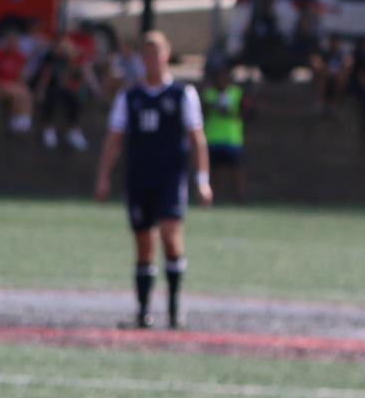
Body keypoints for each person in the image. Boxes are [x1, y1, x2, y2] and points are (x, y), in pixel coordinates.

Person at [94, 30, 211, 330]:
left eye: (156, 53)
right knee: (144, 243)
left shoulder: (182, 94)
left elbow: (197, 139)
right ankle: (143, 311)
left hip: (170, 177)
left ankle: (173, 308)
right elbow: (114, 139)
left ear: (166, 55)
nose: (151, 60)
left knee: (170, 236)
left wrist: (202, 178)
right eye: (146, 54)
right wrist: (103, 176)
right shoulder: (129, 96)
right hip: (139, 176)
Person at [32, 32, 88, 151]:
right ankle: (48, 129)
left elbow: (71, 76)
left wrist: (72, 57)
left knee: (74, 99)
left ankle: (73, 130)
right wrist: (41, 90)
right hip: (50, 87)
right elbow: (45, 75)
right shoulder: (50, 57)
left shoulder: (68, 58)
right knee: (51, 98)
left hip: (63, 87)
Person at [200, 59, 246, 201]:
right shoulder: (209, 93)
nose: (222, 79)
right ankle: (211, 199)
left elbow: (243, 113)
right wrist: (214, 106)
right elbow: (203, 112)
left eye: (224, 75)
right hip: (213, 139)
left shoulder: (236, 92)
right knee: (214, 173)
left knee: (236, 172)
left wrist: (229, 112)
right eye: (219, 76)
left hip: (232, 140)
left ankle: (240, 200)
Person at [0, 27, 32, 135]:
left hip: (13, 85)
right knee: (19, 92)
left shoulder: (20, 56)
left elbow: (20, 75)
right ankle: (22, 120)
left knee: (24, 93)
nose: (12, 43)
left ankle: (21, 119)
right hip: (1, 84)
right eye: (10, 40)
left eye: (15, 41)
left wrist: (22, 84)